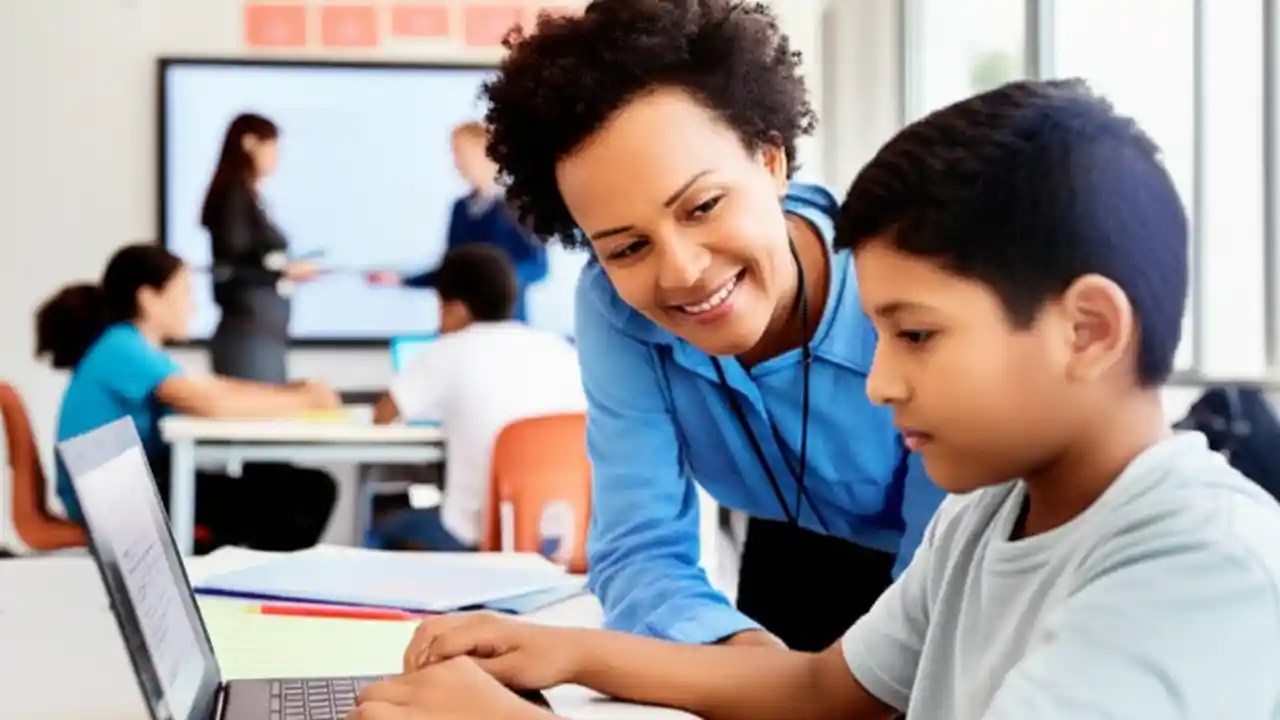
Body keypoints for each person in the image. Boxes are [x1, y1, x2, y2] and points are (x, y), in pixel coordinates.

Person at [352, 79, 1280, 720]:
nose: (876, 382)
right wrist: (568, 653)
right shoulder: (987, 519)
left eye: (914, 335)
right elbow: (820, 695)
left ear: (1086, 330)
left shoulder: (1197, 563)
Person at [427, 0, 944, 653]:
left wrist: (803, 695)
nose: (681, 272)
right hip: (784, 567)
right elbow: (639, 549)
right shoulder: (615, 304)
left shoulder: (909, 283)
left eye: (702, 206)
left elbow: (944, 598)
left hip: (950, 586)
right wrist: (736, 662)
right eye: (626, 247)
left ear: (771, 162)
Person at [37, 243, 340, 552]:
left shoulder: (131, 345)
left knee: (292, 489)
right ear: (149, 300)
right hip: (115, 499)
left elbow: (212, 388)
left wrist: (292, 394)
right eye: (184, 292)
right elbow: (211, 403)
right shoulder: (122, 346)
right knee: (303, 495)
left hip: (127, 487)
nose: (193, 306)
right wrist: (304, 401)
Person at [369, 245, 586, 552]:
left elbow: (383, 416)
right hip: (563, 536)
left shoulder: (448, 350)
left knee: (381, 527)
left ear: (456, 309)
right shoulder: (559, 349)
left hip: (477, 535)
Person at [367, 121, 549, 323]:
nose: (456, 161)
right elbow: (451, 269)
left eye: (460, 152)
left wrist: (493, 281)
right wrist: (401, 280)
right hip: (460, 323)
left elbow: (537, 267)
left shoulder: (518, 206)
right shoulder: (461, 208)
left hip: (504, 324)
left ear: (485, 152)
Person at [201, 112, 318, 384]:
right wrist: (282, 270)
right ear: (250, 143)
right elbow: (239, 259)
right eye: (272, 146)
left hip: (263, 331)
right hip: (248, 330)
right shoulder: (233, 195)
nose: (277, 156)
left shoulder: (249, 196)